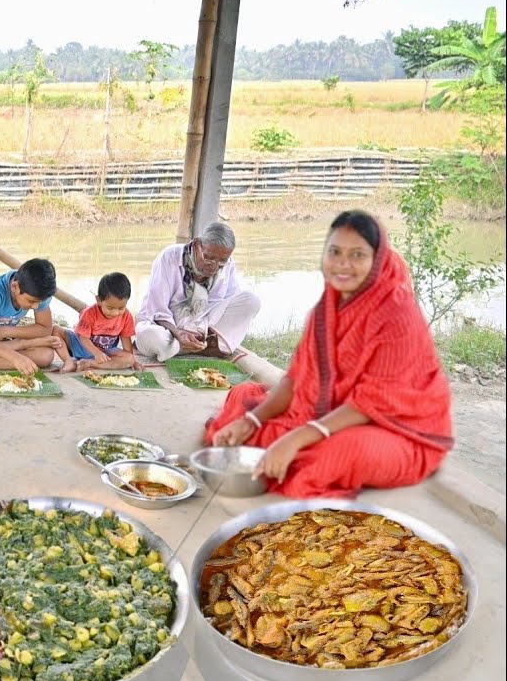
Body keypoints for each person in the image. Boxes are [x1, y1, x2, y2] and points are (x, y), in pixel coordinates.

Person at [206, 212, 452, 498]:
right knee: (244, 400)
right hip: (327, 412)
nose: (343, 265)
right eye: (335, 253)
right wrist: (253, 421)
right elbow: (296, 381)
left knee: (323, 460)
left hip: (391, 426)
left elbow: (370, 404)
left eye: (358, 256)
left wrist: (297, 437)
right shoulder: (326, 310)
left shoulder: (398, 316)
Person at [134, 221, 260, 362]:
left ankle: (194, 346)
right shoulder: (169, 257)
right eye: (209, 257)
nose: (214, 266)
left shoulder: (228, 264)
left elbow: (227, 303)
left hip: (200, 327)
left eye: (222, 261)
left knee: (251, 301)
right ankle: (194, 347)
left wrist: (200, 328)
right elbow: (157, 309)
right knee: (150, 336)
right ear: (196, 245)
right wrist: (178, 333)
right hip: (166, 329)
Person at [53, 272, 143, 373]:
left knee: (129, 358)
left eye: (121, 308)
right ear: (99, 300)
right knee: (56, 330)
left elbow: (126, 342)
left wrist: (132, 361)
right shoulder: (89, 313)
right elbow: (83, 338)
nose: (115, 313)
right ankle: (68, 361)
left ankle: (89, 363)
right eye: (110, 308)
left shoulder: (126, 316)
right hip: (81, 346)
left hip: (106, 352)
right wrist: (96, 353)